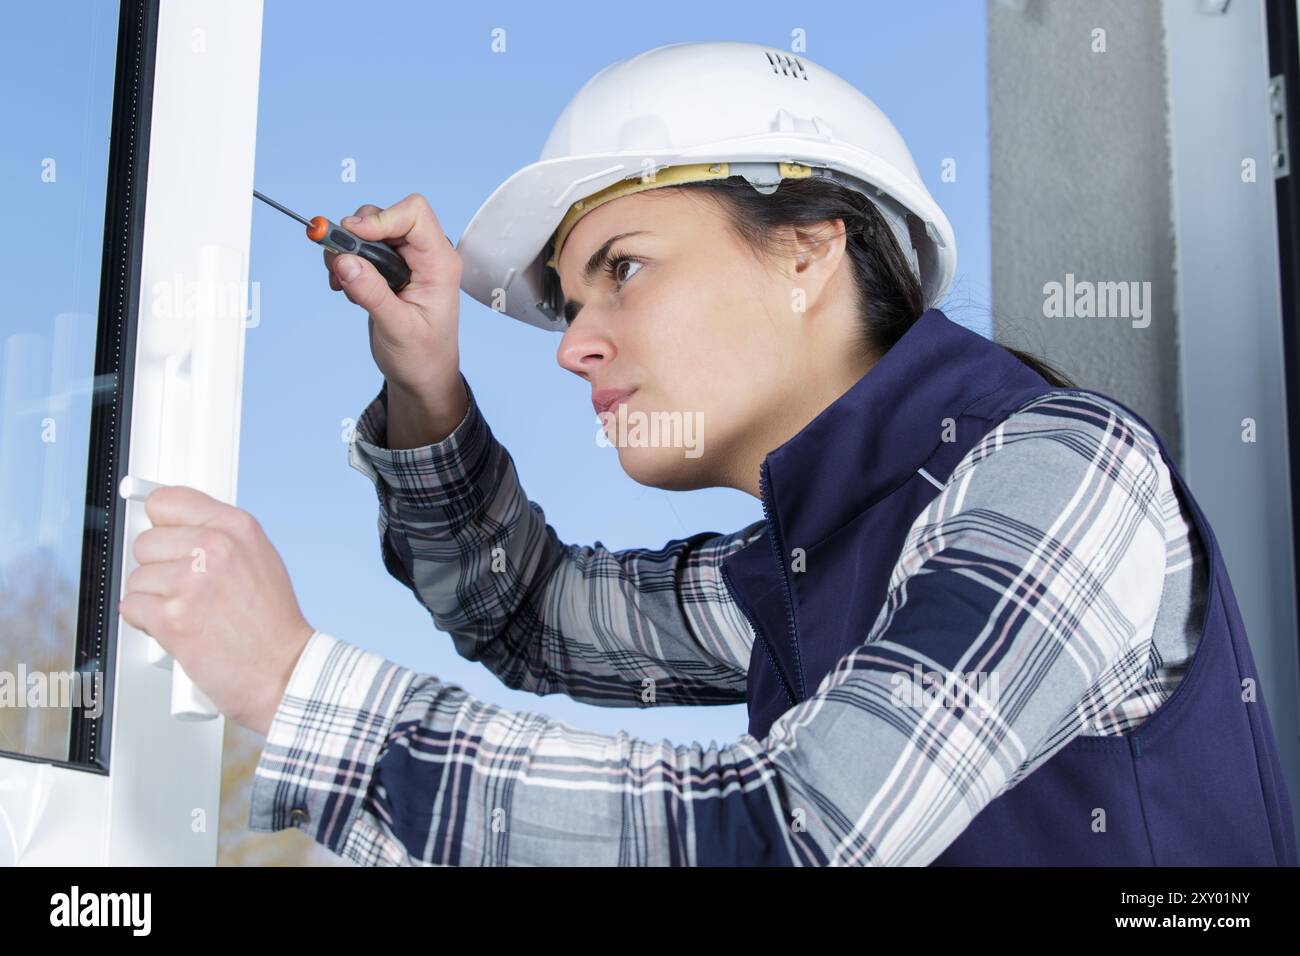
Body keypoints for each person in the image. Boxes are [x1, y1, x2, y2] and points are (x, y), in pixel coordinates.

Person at [123, 41, 1296, 866]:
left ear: (805, 254)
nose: (575, 345)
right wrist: (427, 377)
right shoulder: (807, 566)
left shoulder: (1061, 476)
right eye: (568, 301)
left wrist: (291, 685)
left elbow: (792, 834)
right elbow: (526, 613)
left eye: (621, 269)